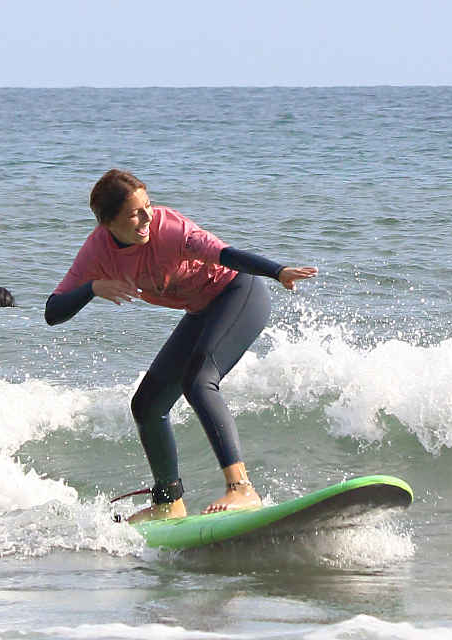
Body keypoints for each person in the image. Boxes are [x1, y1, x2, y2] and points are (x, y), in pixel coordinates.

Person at [45, 169, 317, 523]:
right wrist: (93, 288)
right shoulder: (97, 251)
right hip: (202, 310)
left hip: (239, 293)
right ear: (108, 223)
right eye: (135, 213)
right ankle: (168, 503)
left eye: (148, 205)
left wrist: (277, 271)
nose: (147, 217)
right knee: (147, 404)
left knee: (198, 380)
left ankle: (242, 489)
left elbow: (227, 255)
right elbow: (53, 312)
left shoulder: (169, 228)